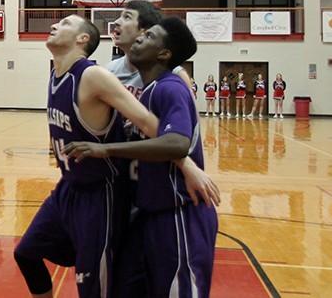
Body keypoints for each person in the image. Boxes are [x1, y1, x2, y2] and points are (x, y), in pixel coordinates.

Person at [65, 17, 218, 298]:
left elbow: (177, 144)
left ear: (164, 54)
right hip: (147, 215)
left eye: (149, 37)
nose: (139, 38)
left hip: (179, 214)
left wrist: (105, 150)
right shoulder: (144, 93)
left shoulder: (169, 87)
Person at [13, 15, 161, 298]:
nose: (55, 25)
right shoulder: (57, 75)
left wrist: (187, 163)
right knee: (26, 253)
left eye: (66, 23)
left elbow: (149, 122)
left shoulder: (93, 76)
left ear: (83, 39)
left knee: (95, 288)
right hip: (67, 190)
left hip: (101, 193)